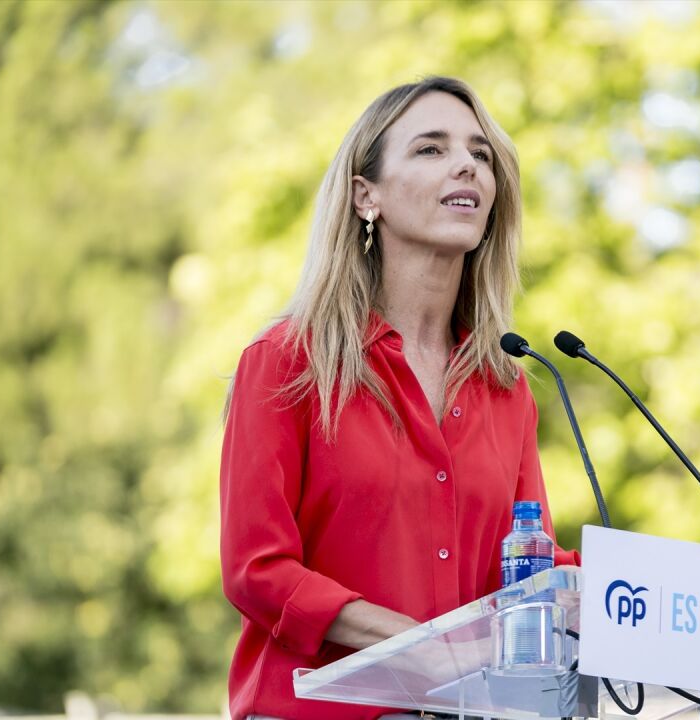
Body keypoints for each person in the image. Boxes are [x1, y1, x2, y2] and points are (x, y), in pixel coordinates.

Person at [219, 77, 578, 720]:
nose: (467, 163)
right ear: (366, 196)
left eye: (481, 153)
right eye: (431, 149)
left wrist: (630, 590)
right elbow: (257, 569)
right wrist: (415, 649)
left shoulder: (508, 384)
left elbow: (531, 566)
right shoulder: (286, 363)